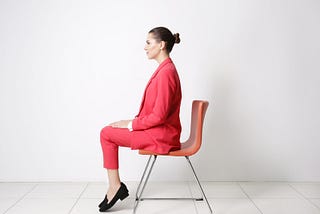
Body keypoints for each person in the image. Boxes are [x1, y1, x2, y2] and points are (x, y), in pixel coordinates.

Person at [99, 26, 182, 212]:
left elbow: (159, 116)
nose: (144, 47)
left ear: (161, 45)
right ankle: (115, 186)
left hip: (161, 136)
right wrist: (130, 122)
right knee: (109, 130)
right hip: (158, 131)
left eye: (148, 42)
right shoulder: (165, 69)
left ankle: (115, 186)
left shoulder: (166, 72)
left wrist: (131, 124)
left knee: (106, 134)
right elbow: (158, 113)